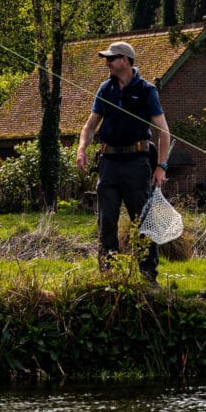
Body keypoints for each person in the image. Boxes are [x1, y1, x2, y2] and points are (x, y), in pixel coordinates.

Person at [75, 39, 172, 283]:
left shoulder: (147, 90)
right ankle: (108, 275)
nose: (106, 62)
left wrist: (161, 166)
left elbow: (163, 131)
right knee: (106, 220)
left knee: (142, 220)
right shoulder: (104, 89)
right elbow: (89, 126)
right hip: (108, 163)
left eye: (111, 58)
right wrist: (82, 147)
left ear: (125, 61)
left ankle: (148, 276)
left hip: (137, 164)